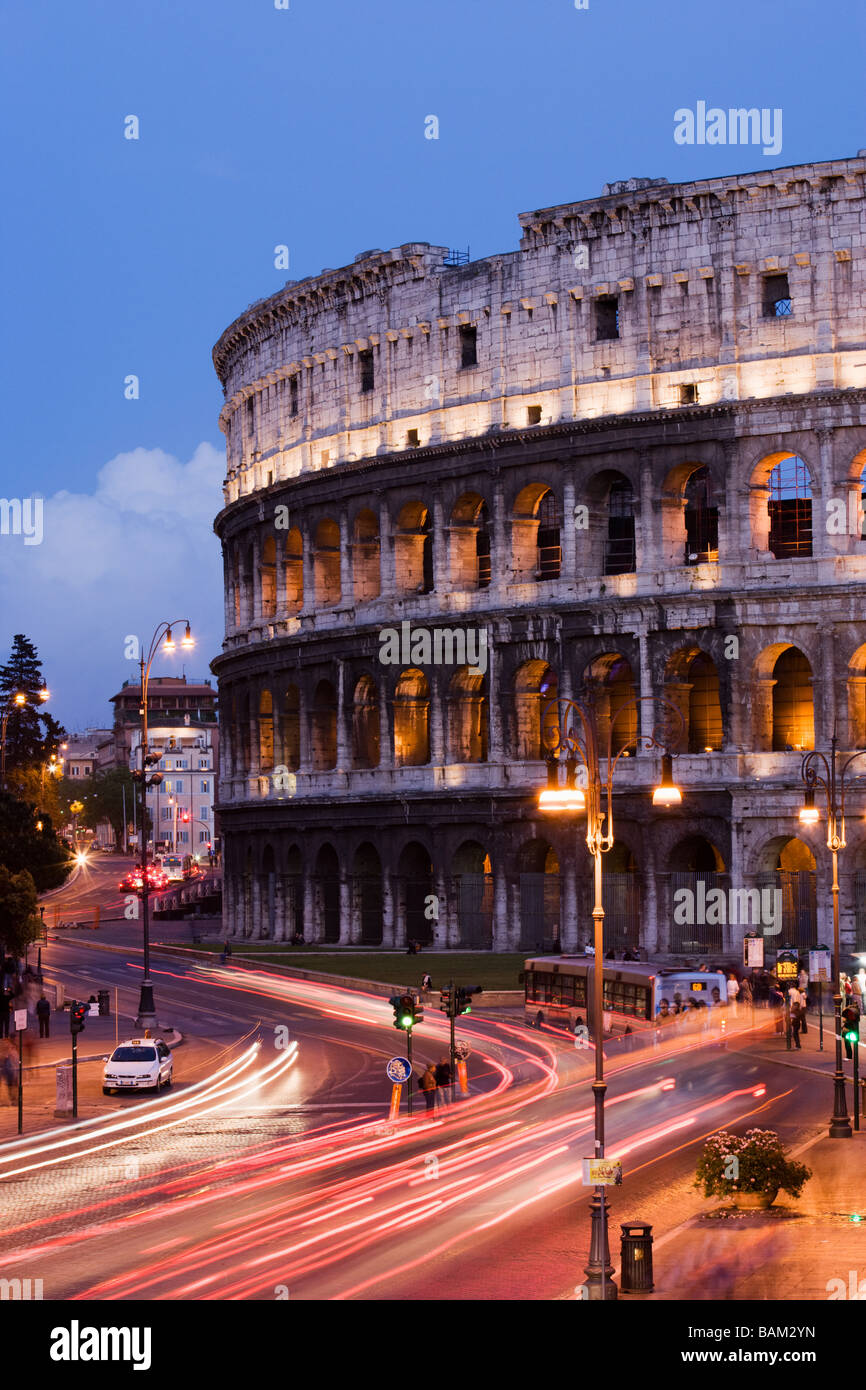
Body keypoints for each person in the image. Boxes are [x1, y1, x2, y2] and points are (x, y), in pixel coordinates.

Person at [0, 1039, 17, 1105]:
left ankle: (13, 1099)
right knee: (10, 1086)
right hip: (7, 1072)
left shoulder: (10, 1054)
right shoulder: (5, 1055)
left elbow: (14, 1063)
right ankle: (13, 1099)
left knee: (11, 1086)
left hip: (9, 1073)